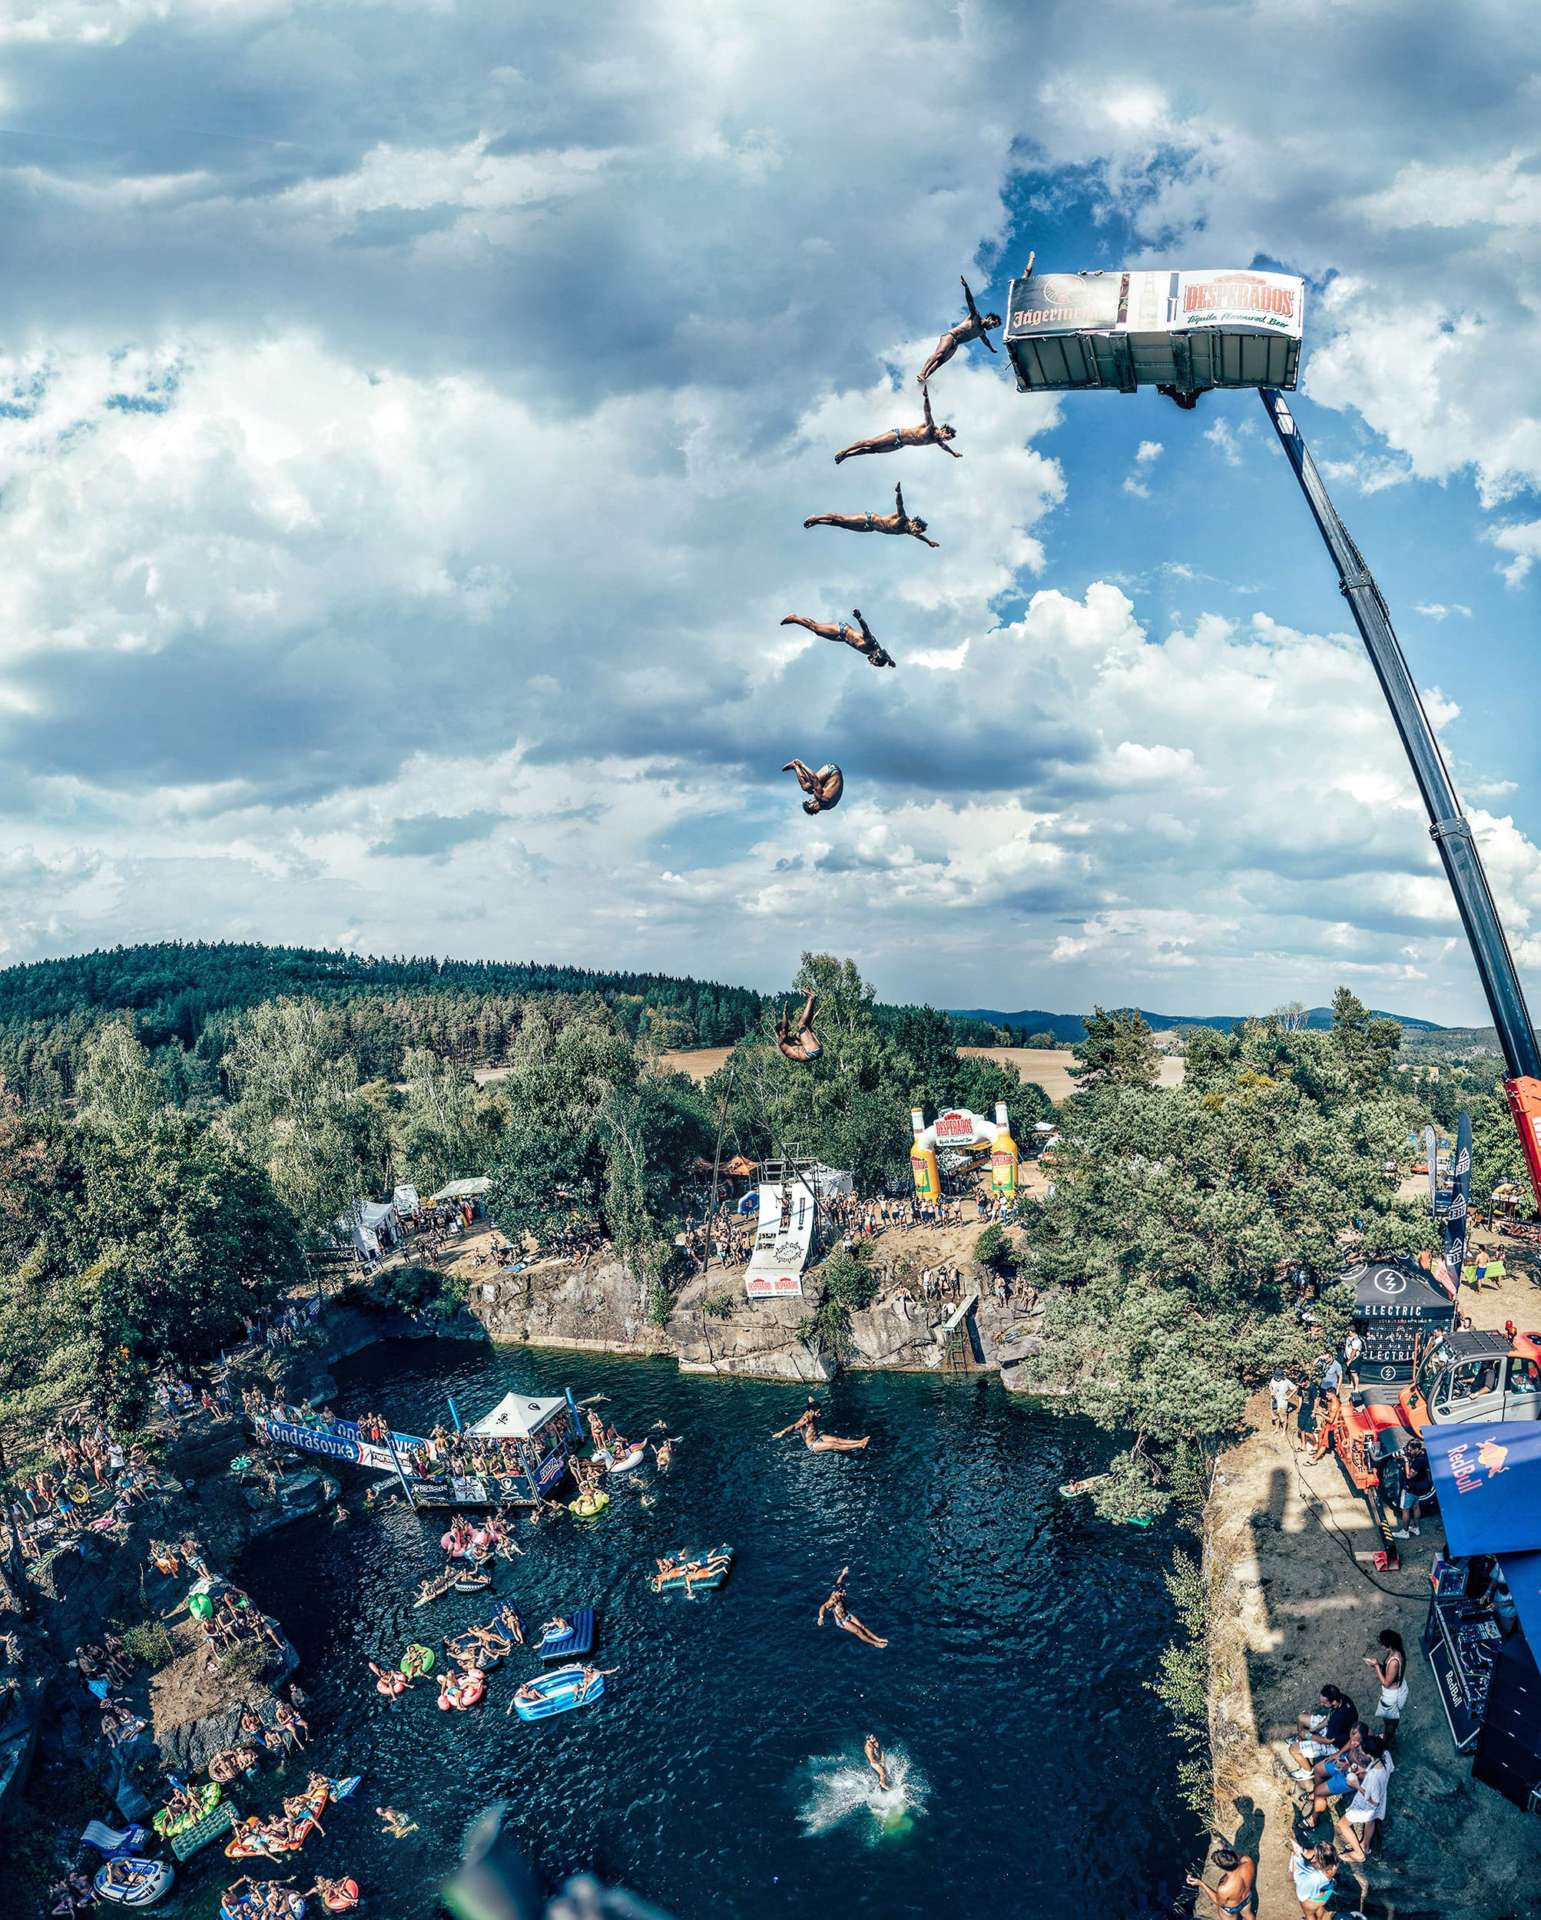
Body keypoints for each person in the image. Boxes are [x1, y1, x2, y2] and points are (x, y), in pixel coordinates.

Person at [835, 385, 961, 463]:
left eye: (947, 440)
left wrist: (953, 453)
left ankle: (847, 456)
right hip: (897, 435)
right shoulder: (930, 428)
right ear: (943, 430)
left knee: (873, 451)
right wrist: (926, 397)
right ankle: (845, 450)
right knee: (871, 443)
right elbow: (927, 411)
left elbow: (945, 447)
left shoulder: (937, 440)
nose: (945, 440)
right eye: (946, 437)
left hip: (900, 444)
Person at [803, 481, 939, 548]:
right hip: (869, 519)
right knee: (841, 518)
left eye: (917, 532)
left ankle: (817, 522)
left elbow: (919, 536)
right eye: (917, 529)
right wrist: (898, 492)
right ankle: (816, 517)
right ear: (913, 524)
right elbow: (900, 505)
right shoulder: (903, 520)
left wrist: (929, 542)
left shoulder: (909, 531)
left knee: (841, 525)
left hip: (870, 528)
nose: (916, 533)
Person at [917, 277, 1001, 382]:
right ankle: (922, 373)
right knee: (940, 353)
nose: (992, 327)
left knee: (941, 361)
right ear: (989, 318)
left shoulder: (981, 332)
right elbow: (970, 301)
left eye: (994, 327)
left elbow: (986, 341)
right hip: (950, 336)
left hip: (956, 344)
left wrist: (991, 348)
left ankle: (925, 378)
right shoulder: (975, 316)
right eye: (993, 324)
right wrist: (966, 287)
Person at [1335, 1734, 1393, 1862]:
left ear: (1369, 1754)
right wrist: (1362, 1770)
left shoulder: (1373, 1776)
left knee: (1342, 1824)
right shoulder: (1386, 1755)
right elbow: (1388, 1769)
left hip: (1367, 1805)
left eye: (1362, 1751)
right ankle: (1365, 1846)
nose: (1360, 1752)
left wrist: (1356, 1785)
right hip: (1381, 1795)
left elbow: (1374, 1802)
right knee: (1370, 1820)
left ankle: (1359, 1854)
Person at [780, 608, 896, 669]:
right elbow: (866, 630)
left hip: (841, 638)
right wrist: (859, 618)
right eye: (874, 662)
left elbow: (886, 655)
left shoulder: (873, 652)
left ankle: (796, 619)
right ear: (876, 655)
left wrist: (890, 661)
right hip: (842, 630)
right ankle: (794, 618)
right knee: (816, 628)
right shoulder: (871, 643)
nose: (871, 662)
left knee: (817, 630)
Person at [1289, 1684, 1357, 1770]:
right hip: (1334, 1730)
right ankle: (1301, 1740)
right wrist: (1315, 1728)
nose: (1321, 1704)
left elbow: (1328, 1740)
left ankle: (1308, 1771)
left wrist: (1308, 1735)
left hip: (1335, 1744)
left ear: (1334, 1702)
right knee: (1301, 1718)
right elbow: (1329, 1717)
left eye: (1324, 1703)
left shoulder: (1338, 1719)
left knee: (1293, 1749)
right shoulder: (1341, 1698)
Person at [818, 1567, 887, 1647]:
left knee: (862, 1627)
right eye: (844, 1592)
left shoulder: (838, 1589)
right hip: (842, 1621)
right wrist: (821, 1617)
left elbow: (839, 1581)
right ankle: (875, 1643)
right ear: (838, 1592)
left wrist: (843, 1573)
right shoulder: (833, 1600)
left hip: (847, 1614)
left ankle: (878, 1639)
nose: (845, 1594)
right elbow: (823, 1606)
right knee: (858, 1631)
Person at [1186, 1845, 1255, 1918]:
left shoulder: (1224, 1888)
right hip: (1246, 1899)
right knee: (1248, 1914)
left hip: (1232, 1908)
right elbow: (1236, 1856)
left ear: (1221, 1867)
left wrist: (1201, 1883)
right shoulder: (1247, 1861)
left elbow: (1218, 1902)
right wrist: (1226, 1851)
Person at [1365, 1628, 1408, 1741]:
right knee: (1389, 1719)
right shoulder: (1395, 1651)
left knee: (1390, 1722)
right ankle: (1388, 1736)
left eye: (1383, 1643)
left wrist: (1376, 1666)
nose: (1381, 1645)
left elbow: (1386, 1683)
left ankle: (1387, 1741)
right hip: (1395, 1689)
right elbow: (1389, 1673)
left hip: (1392, 1695)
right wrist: (1377, 1665)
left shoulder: (1394, 1661)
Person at [1392, 1437, 1432, 1537]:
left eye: (1411, 1450)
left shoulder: (1419, 1461)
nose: (1409, 1451)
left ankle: (1405, 1532)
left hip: (1411, 1488)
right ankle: (1416, 1528)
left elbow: (1409, 1475)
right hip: (1420, 1487)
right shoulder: (1424, 1452)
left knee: (1405, 1509)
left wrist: (1406, 1461)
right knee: (1416, 1506)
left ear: (1417, 1449)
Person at [1287, 1840, 1338, 1918]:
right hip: (1326, 1894)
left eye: (1315, 1857)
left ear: (1320, 1862)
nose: (1313, 1858)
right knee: (1319, 1907)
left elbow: (1294, 1878)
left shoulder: (1313, 1877)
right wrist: (1303, 1851)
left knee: (1309, 1915)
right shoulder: (1334, 1864)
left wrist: (1295, 1856)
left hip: (1312, 1901)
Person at [777, 989, 824, 1061]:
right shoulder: (781, 1042)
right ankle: (811, 998)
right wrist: (784, 1013)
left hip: (817, 1051)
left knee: (807, 1026)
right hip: (811, 1052)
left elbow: (799, 1035)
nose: (788, 1031)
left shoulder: (790, 1040)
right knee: (801, 1024)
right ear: (780, 1032)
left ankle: (812, 1000)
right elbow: (784, 1027)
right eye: (786, 1031)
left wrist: (795, 1035)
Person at [1268, 1368, 1296, 1432]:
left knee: (1283, 1417)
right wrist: (1271, 1392)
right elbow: (1270, 1386)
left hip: (1282, 1401)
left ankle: (1284, 1431)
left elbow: (1294, 1388)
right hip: (1274, 1400)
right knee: (1275, 1415)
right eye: (1276, 1376)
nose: (1277, 1378)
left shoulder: (1286, 1381)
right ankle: (1276, 1428)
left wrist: (1289, 1397)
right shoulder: (1273, 1379)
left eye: (1279, 1377)